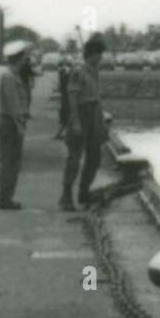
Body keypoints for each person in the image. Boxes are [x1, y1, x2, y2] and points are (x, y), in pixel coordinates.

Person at [61, 33, 107, 210]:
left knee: (94, 157)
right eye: (99, 54)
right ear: (92, 54)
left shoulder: (94, 73)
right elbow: (72, 97)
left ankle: (83, 191)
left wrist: (101, 122)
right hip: (80, 114)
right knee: (74, 158)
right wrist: (75, 122)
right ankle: (66, 196)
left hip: (93, 115)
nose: (101, 58)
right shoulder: (78, 72)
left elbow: (96, 99)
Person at [0, 42, 31, 210]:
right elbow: (13, 103)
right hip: (10, 123)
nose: (25, 60)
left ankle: (5, 196)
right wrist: (19, 125)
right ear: (19, 58)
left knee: (11, 162)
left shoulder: (11, 75)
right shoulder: (9, 77)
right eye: (24, 57)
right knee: (10, 162)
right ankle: (4, 198)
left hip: (10, 122)